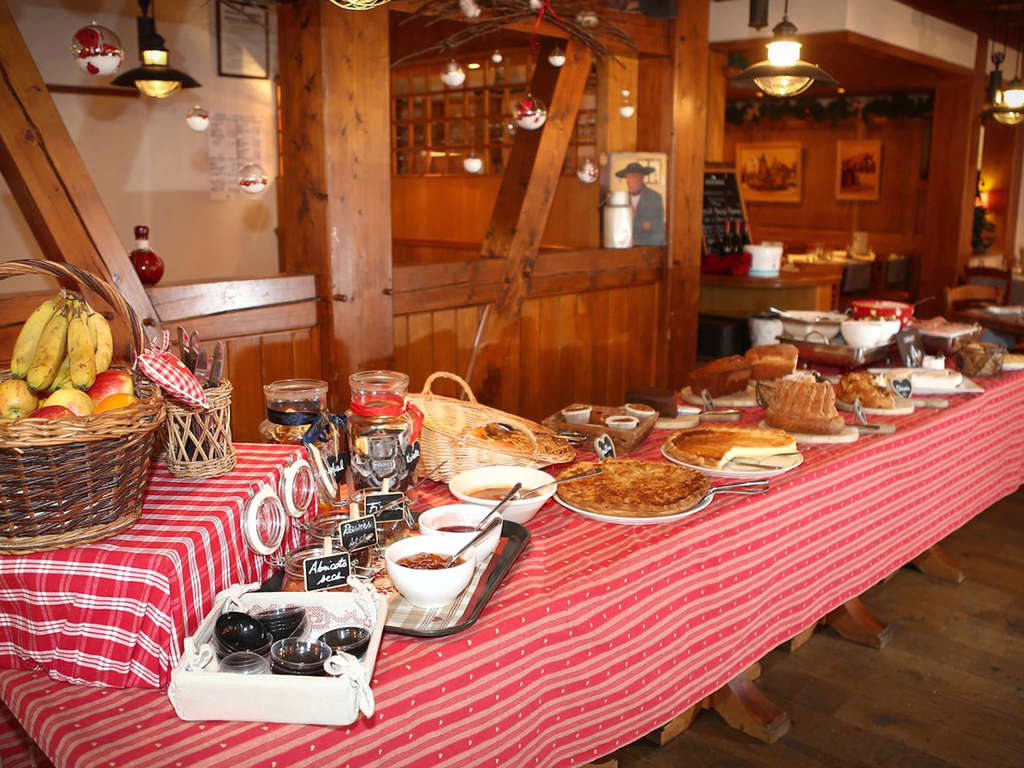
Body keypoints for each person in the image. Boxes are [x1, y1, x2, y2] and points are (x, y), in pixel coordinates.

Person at [615, 161, 666, 246]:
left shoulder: (655, 197)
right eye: (628, 178)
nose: (629, 181)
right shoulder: (622, 199)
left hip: (648, 248)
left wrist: (649, 225)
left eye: (633, 177)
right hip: (626, 248)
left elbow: (660, 226)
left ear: (641, 179)